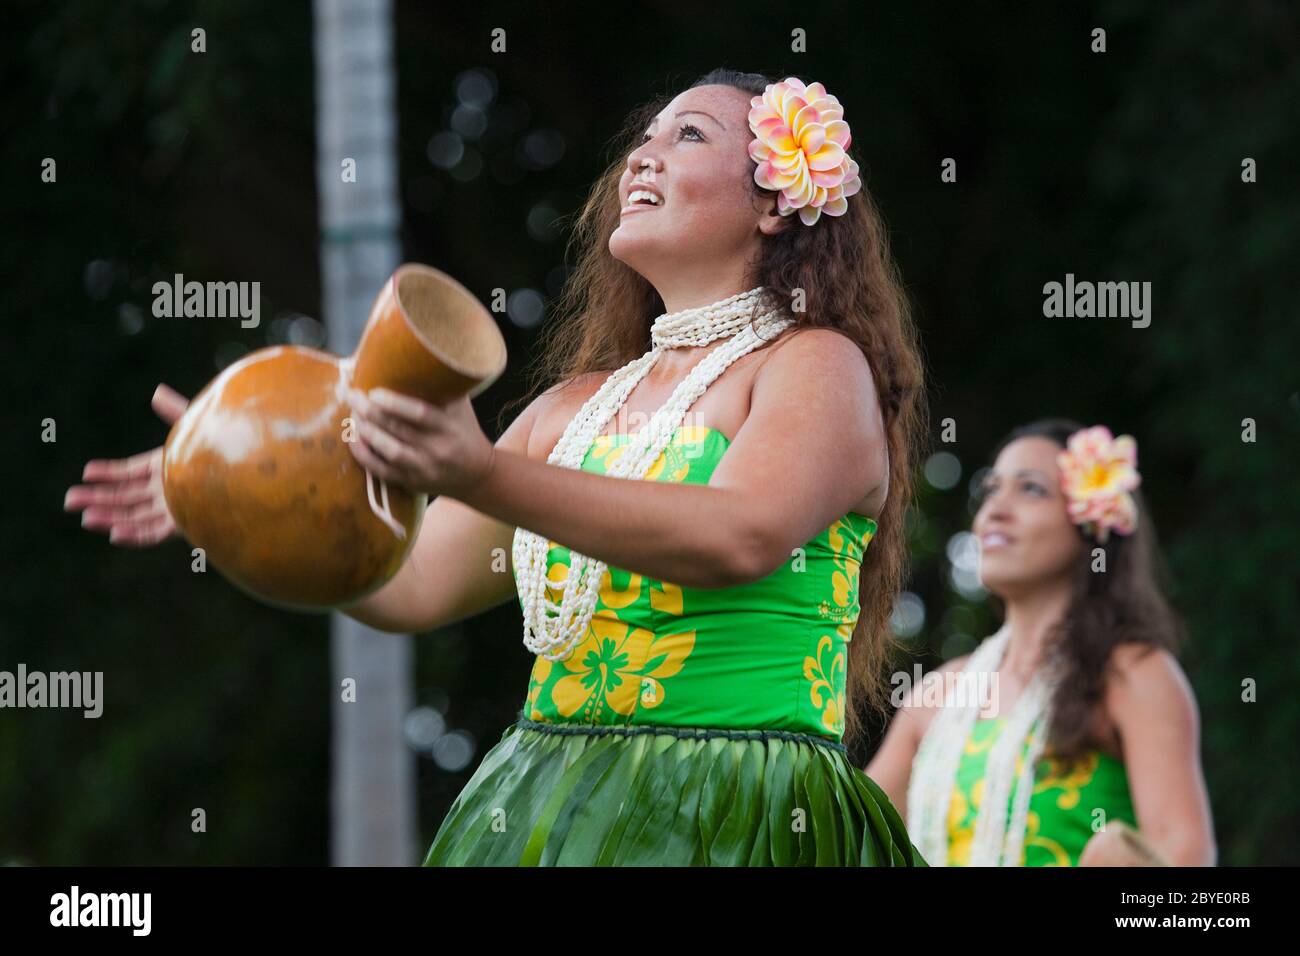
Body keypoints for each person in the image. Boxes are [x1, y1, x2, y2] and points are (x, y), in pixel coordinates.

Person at [65, 69, 928, 866]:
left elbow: (741, 535)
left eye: (689, 136)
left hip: (746, 814)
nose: (644, 155)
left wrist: (479, 474)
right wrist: (241, 502)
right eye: (645, 136)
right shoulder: (569, 412)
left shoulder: (815, 366)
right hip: (556, 808)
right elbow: (404, 585)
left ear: (776, 203)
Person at [867, 420, 1216, 866]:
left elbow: (1184, 856)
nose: (995, 509)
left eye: (1030, 489)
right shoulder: (941, 693)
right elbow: (850, 838)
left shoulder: (1135, 674)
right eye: (991, 489)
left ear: (1093, 523)